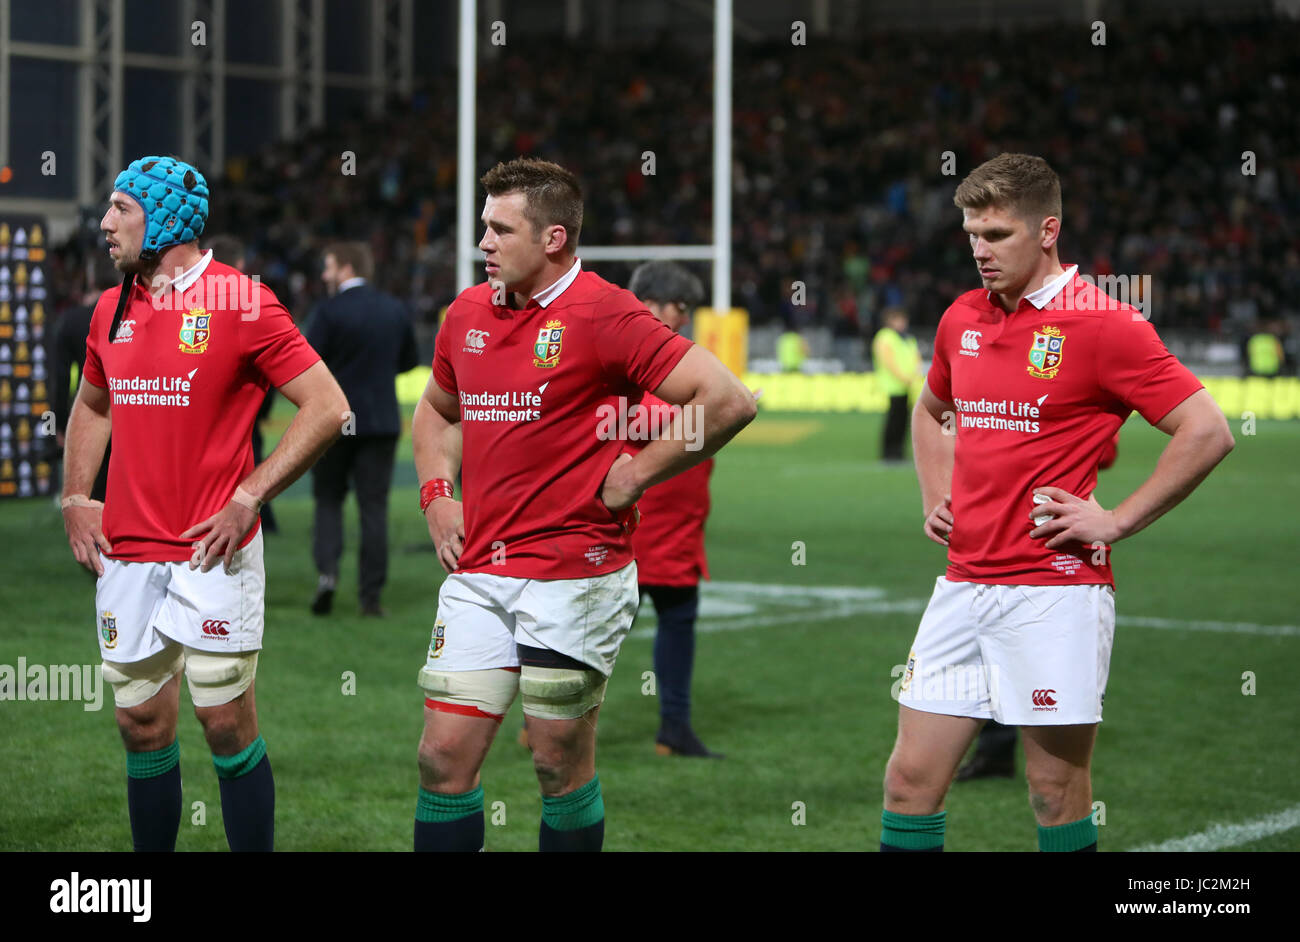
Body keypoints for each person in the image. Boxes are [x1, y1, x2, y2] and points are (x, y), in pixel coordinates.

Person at [880, 153, 1233, 852]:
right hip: (964, 583)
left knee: (1053, 791)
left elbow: (1208, 429)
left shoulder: (1105, 324)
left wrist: (1118, 519)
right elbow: (930, 412)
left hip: (1054, 590)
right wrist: (935, 492)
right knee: (908, 783)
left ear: (1047, 231)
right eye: (972, 234)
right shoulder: (961, 319)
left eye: (997, 234)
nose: (980, 250)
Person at [411, 158, 755, 852]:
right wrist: (439, 496)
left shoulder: (605, 313)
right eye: (484, 226)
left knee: (554, 759)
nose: (484, 242)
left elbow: (727, 401)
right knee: (442, 758)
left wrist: (638, 473)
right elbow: (437, 413)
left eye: (501, 230)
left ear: (554, 239)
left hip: (576, 573)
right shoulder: (468, 312)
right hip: (480, 571)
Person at [61, 155, 348, 852]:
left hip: (209, 552)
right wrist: (75, 495)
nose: (105, 224)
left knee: (224, 720)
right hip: (127, 551)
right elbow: (92, 405)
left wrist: (250, 496)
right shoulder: (110, 308)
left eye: (121, 208)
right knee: (140, 724)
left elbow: (327, 407)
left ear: (163, 219)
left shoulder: (243, 301)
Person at [954, 428, 1121, 783]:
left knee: (1056, 782)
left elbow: (1106, 452)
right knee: (992, 654)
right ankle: (995, 751)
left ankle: (1001, 752)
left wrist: (1116, 521)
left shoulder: (1077, 380)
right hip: (983, 551)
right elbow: (934, 414)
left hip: (1047, 552)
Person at [624, 260, 721, 758]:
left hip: (673, 525)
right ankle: (551, 724)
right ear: (654, 304)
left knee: (670, 619)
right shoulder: (622, 352)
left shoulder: (669, 357)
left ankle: (674, 728)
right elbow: (626, 416)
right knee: (594, 629)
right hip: (627, 524)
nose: (684, 319)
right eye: (680, 308)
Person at [306, 241, 419, 616]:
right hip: (381, 421)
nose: (324, 275)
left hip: (334, 422)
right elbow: (409, 361)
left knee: (328, 501)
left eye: (328, 266)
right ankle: (370, 597)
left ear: (346, 267)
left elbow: (308, 364)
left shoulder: (328, 312)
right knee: (374, 510)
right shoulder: (393, 310)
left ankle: (327, 576)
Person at [208, 234, 279, 535]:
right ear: (238, 264)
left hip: (201, 419)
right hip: (245, 416)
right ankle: (262, 518)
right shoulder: (251, 303)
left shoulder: (187, 302)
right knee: (251, 462)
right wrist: (261, 411)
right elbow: (274, 370)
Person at [50, 256, 119, 502]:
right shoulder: (136, 312)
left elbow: (58, 375)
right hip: (128, 411)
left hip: (87, 409)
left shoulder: (71, 320)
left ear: (90, 279)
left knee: (91, 495)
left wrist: (58, 421)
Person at [872, 307, 922, 462]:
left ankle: (899, 451)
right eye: (898, 320)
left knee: (904, 420)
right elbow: (888, 361)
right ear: (890, 321)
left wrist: (914, 375)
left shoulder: (907, 338)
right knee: (893, 420)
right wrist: (903, 377)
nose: (902, 323)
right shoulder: (885, 337)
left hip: (907, 385)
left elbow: (916, 357)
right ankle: (888, 452)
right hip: (893, 385)